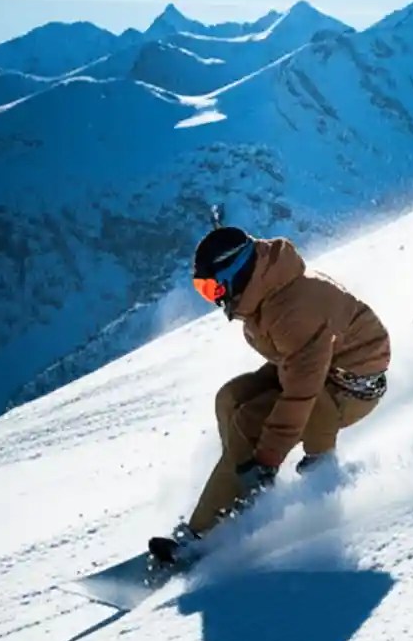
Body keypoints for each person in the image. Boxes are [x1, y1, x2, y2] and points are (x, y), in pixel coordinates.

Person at [149, 226, 391, 565]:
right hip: (318, 370)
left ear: (237, 272)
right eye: (203, 291)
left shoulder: (292, 310)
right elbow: (297, 369)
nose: (214, 298)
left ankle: (200, 535)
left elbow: (302, 392)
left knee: (250, 422)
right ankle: (241, 492)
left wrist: (267, 458)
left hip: (351, 386)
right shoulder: (264, 291)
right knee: (231, 399)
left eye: (212, 287)